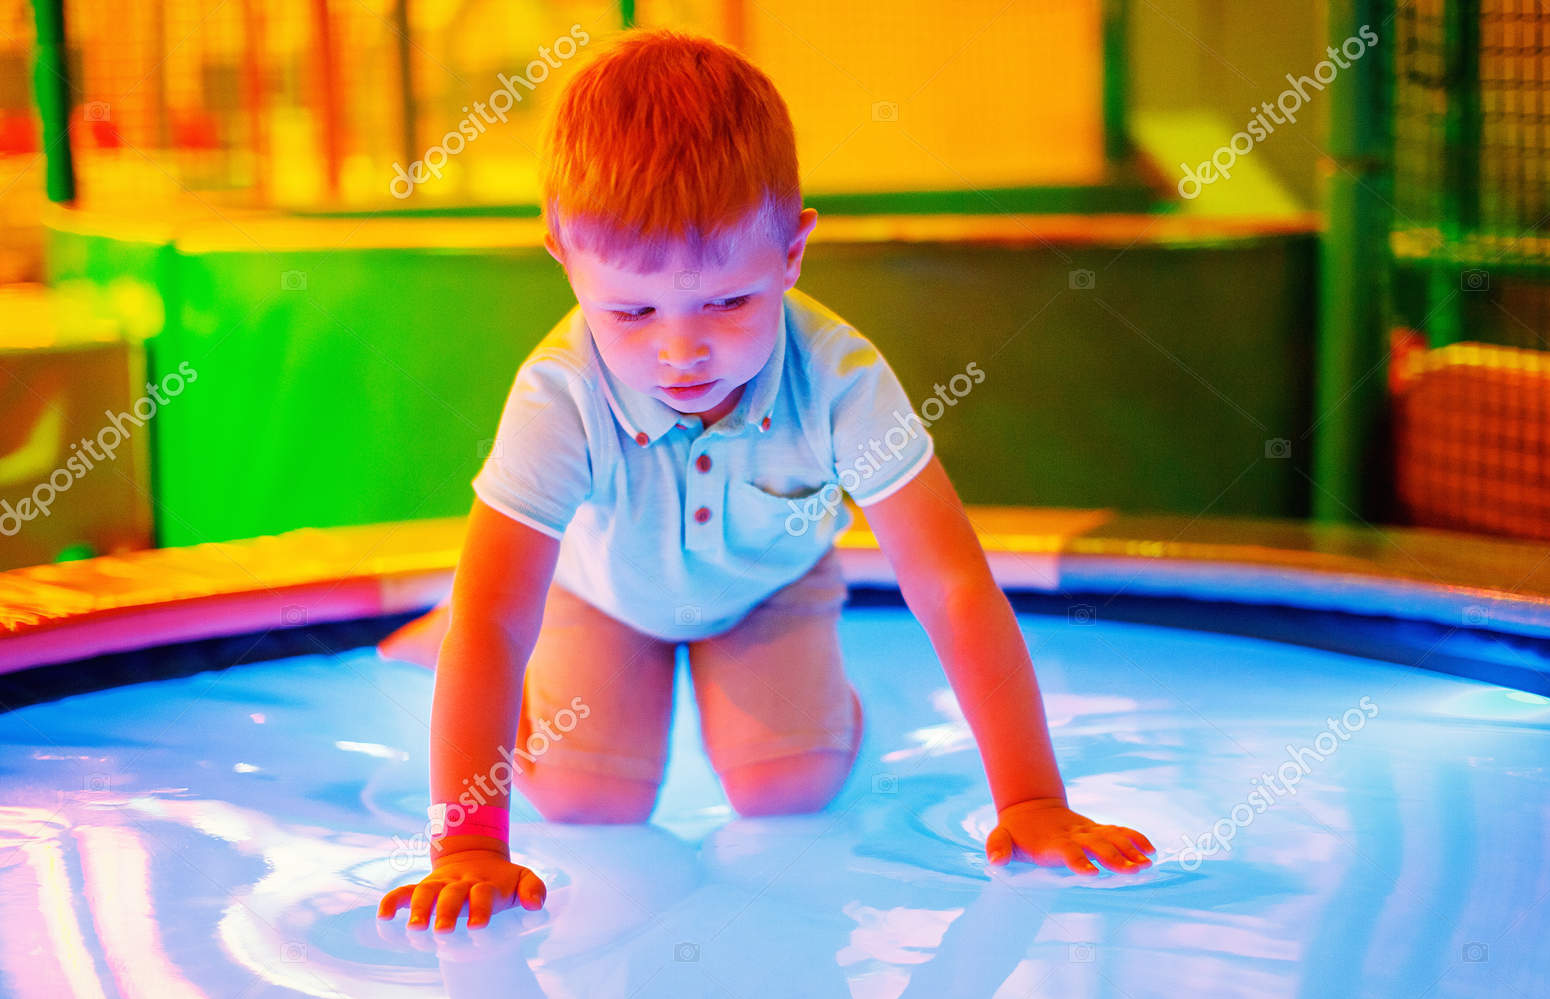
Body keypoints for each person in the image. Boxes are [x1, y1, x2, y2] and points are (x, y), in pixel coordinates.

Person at [378, 28, 1153, 933]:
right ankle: (515, 678)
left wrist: (1029, 797)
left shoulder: (839, 378)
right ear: (565, 258)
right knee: (589, 797)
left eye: (728, 301)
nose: (681, 351)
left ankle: (822, 708)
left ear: (792, 251)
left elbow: (950, 582)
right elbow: (494, 614)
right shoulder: (561, 394)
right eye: (631, 310)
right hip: (604, 596)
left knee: (789, 786)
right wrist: (467, 845)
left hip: (765, 592)